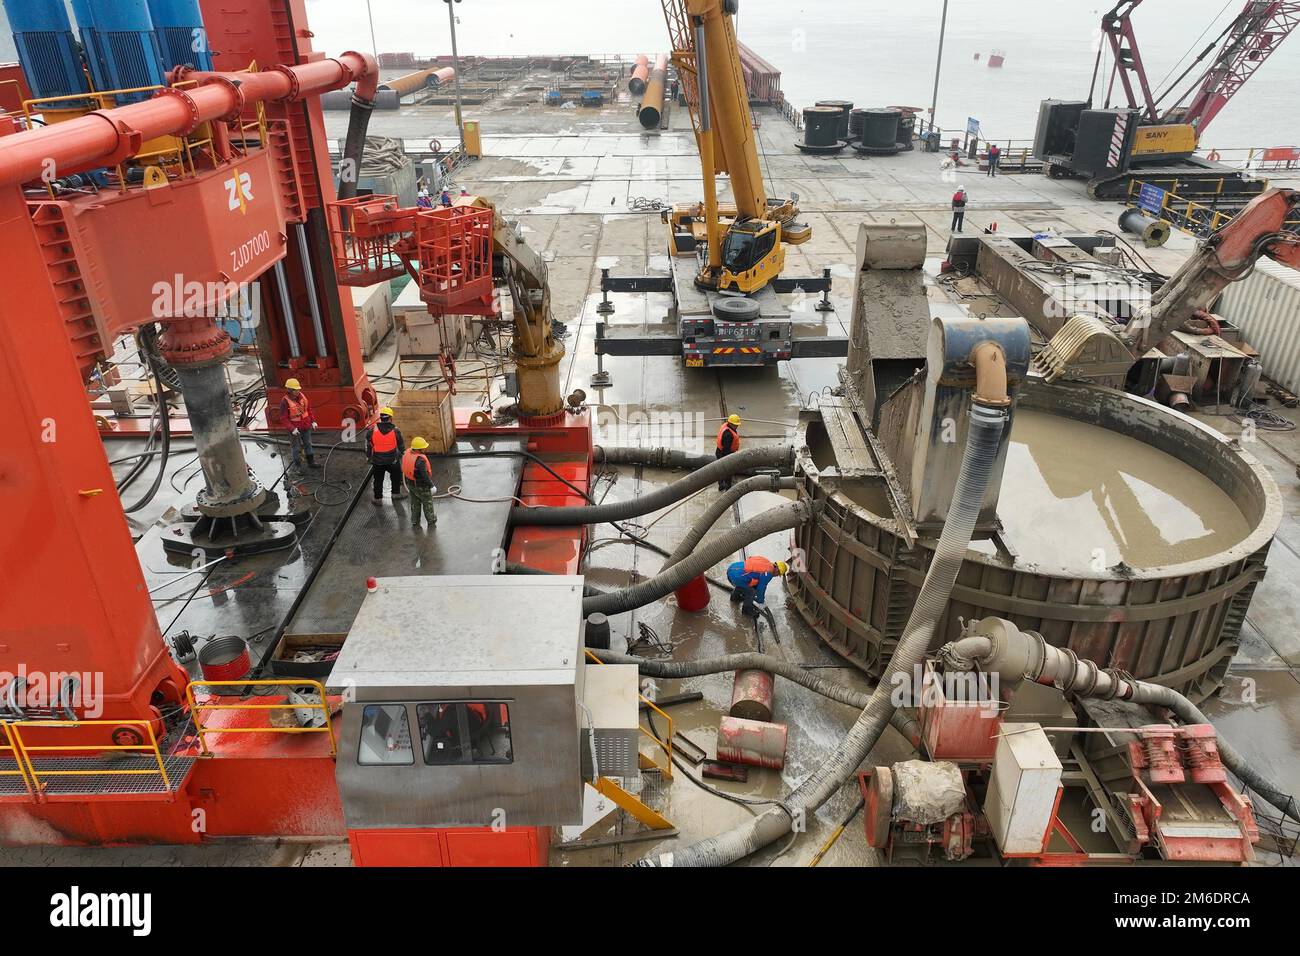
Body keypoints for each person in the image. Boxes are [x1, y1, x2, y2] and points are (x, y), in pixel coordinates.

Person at [366, 407, 406, 503]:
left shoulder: (372, 430)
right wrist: (402, 453)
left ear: (380, 418)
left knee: (378, 480)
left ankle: (378, 499)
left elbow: (369, 445)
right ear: (390, 418)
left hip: (377, 461)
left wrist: (368, 457)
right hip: (393, 460)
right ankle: (396, 494)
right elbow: (401, 445)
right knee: (396, 477)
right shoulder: (395, 430)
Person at [280, 378, 318, 470]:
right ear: (289, 390)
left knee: (308, 444)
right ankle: (298, 467)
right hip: (295, 429)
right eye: (295, 390)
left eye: (298, 389)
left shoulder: (302, 397)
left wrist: (313, 421)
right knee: (296, 448)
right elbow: (283, 418)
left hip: (305, 426)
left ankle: (311, 462)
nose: (297, 391)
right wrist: (292, 428)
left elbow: (308, 410)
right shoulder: (285, 401)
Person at [402, 436, 438, 530]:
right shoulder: (420, 461)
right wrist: (431, 485)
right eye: (422, 448)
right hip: (421, 486)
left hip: (411, 484)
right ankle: (431, 520)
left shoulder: (407, 454)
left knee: (415, 503)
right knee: (427, 503)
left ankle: (415, 520)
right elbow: (424, 475)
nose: (424, 449)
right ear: (418, 449)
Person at [715, 413, 741, 491]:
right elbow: (726, 450)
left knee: (720, 469)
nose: (737, 426)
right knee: (728, 470)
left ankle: (721, 484)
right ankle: (728, 487)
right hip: (724, 453)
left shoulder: (726, 426)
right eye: (736, 425)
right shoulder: (728, 435)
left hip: (719, 451)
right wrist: (731, 458)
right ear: (731, 424)